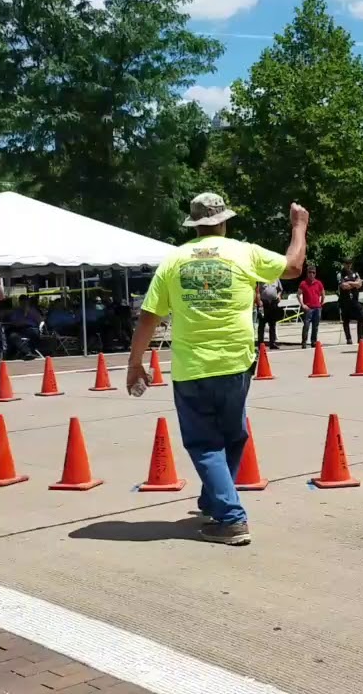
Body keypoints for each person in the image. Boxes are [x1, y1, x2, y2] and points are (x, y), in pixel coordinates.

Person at [127, 193, 307, 546]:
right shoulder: (245, 252)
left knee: (204, 443)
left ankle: (229, 517)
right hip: (236, 362)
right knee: (232, 435)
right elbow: (293, 267)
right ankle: (216, 503)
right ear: (224, 220)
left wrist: (135, 363)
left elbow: (150, 315)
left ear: (194, 224)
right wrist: (299, 226)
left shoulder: (174, 261)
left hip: (192, 367)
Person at [336, 258, 363, 345]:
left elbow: (359, 284)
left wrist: (350, 283)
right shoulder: (340, 274)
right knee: (346, 320)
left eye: (350, 263)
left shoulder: (355, 273)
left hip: (355, 300)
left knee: (361, 316)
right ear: (344, 264)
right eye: (347, 263)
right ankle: (348, 338)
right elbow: (343, 286)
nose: (349, 265)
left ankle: (360, 337)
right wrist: (354, 284)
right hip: (345, 301)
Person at [297, 265, 324, 348]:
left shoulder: (318, 283)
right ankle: (304, 342)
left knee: (315, 326)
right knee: (306, 325)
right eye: (310, 272)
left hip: (317, 307)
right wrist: (303, 304)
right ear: (307, 273)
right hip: (308, 308)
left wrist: (321, 304)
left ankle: (314, 341)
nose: (311, 274)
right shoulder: (303, 283)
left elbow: (323, 294)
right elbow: (298, 294)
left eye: (313, 272)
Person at [255, 279, 283, 349]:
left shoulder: (276, 278)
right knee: (262, 325)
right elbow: (257, 290)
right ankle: (260, 344)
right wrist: (259, 301)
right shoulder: (260, 278)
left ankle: (272, 343)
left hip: (273, 302)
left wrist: (279, 295)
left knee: (273, 324)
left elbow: (280, 289)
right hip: (263, 303)